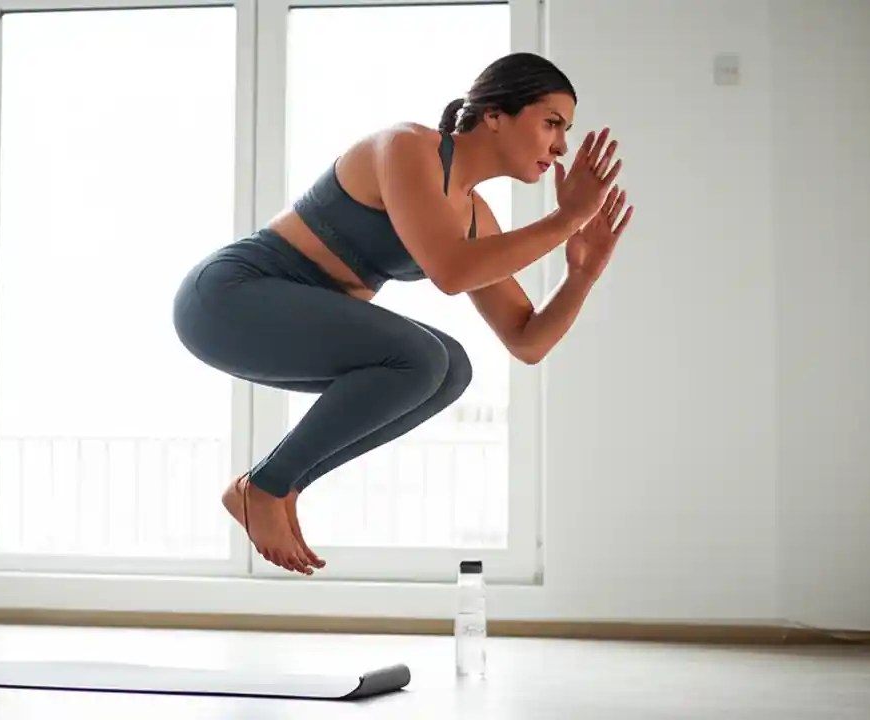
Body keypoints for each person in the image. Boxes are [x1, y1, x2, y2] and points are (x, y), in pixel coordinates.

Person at [172, 52, 632, 576]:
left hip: (274, 320)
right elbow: (451, 271)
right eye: (551, 122)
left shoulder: (475, 215)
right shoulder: (408, 147)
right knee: (420, 357)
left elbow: (527, 341)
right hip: (228, 298)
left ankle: (277, 486)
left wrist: (582, 275)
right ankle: (266, 486)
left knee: (450, 368)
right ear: (494, 114)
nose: (561, 146)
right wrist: (567, 218)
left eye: (566, 130)